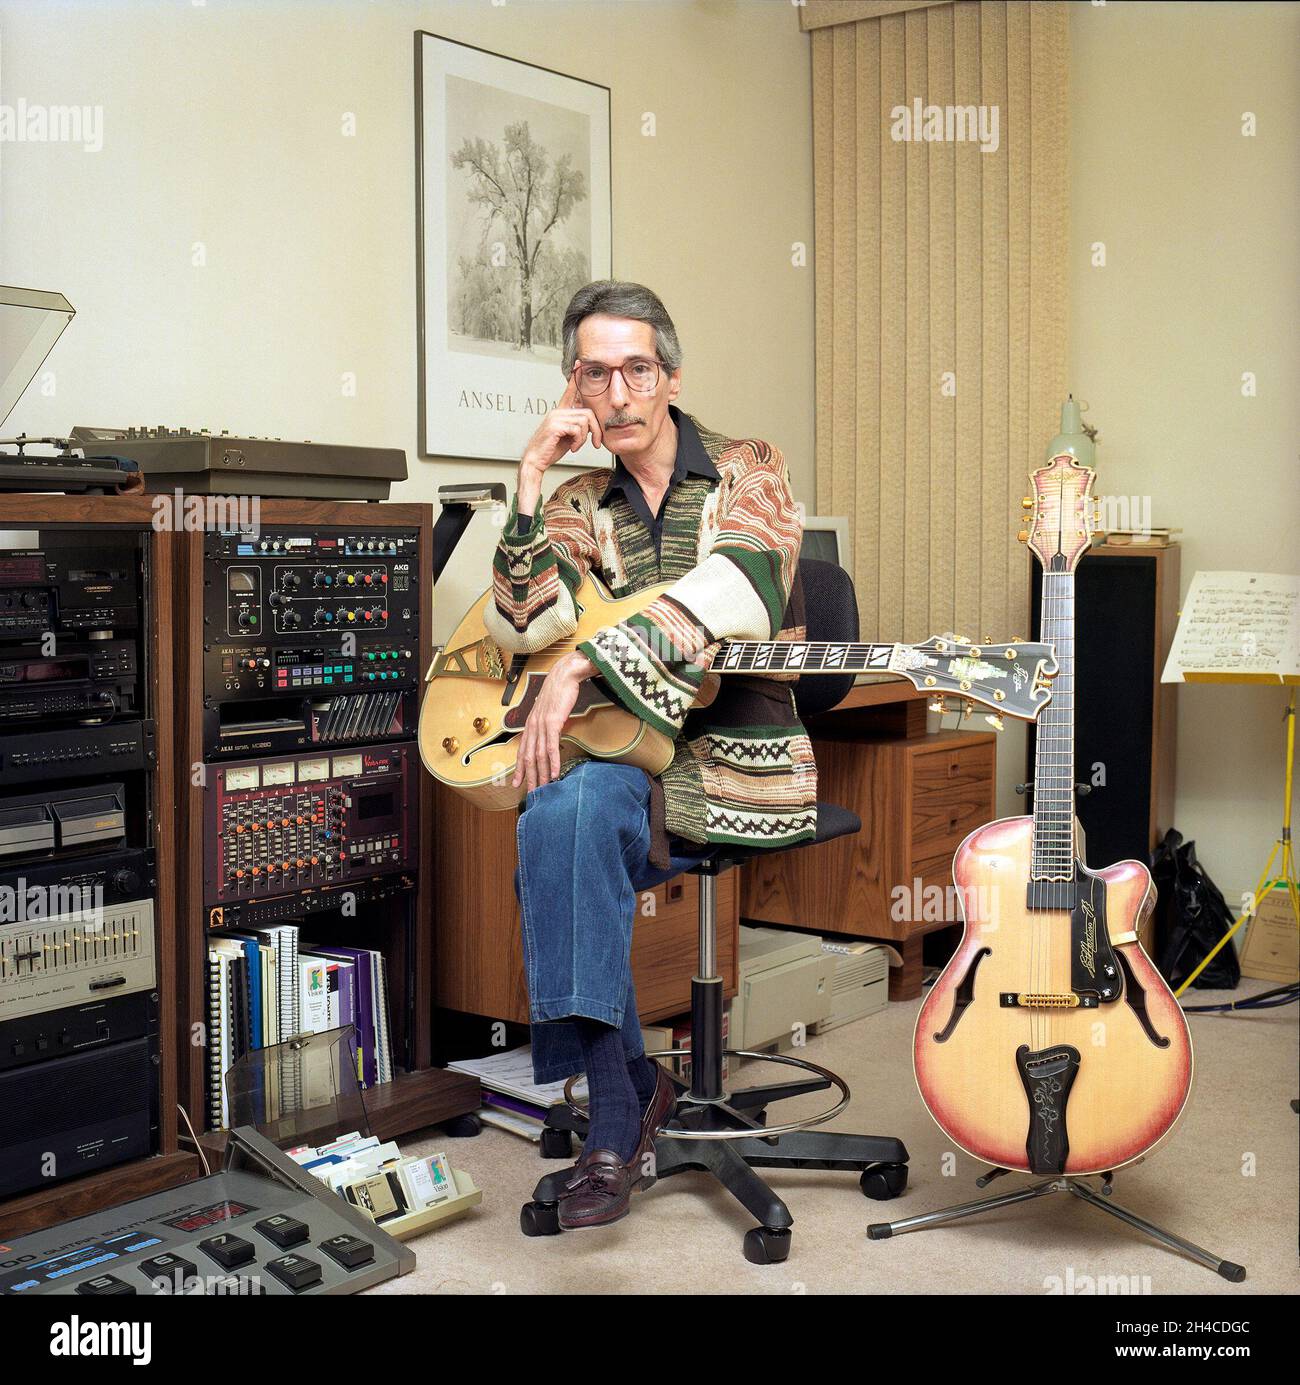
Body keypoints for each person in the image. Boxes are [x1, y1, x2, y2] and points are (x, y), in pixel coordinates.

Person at [484, 279, 815, 1228]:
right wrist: (527, 484)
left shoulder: (750, 465)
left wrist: (586, 657)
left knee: (570, 811)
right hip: (617, 747)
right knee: (561, 808)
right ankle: (619, 1111)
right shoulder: (581, 498)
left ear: (669, 376)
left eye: (637, 369)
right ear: (573, 387)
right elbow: (522, 626)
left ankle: (619, 1103)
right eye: (596, 373)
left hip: (727, 758)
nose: (618, 393)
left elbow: (745, 582)